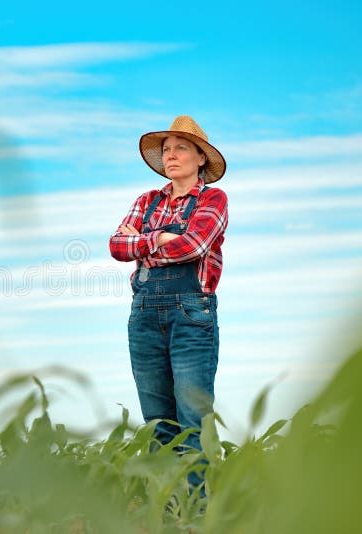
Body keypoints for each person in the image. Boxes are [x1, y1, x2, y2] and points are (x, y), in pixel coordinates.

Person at [109, 115, 228, 460]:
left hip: (192, 314)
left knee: (193, 420)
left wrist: (142, 243)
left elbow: (193, 246)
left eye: (180, 148)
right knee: (157, 422)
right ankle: (171, 509)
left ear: (201, 157)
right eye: (166, 149)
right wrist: (160, 237)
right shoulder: (147, 201)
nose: (170, 155)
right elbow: (116, 246)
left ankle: (198, 510)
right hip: (143, 315)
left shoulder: (213, 199)